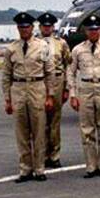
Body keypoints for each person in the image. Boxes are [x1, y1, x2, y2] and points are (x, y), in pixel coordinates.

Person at [1, 11, 54, 182]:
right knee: (22, 132)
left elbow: (49, 72)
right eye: (21, 27)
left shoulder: (43, 46)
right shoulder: (11, 49)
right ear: (17, 28)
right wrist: (7, 99)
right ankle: (25, 169)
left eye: (27, 27)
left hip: (37, 88)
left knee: (38, 131)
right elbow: (6, 76)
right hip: (18, 89)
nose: (24, 30)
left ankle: (39, 168)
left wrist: (50, 95)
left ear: (32, 28)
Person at [68, 14, 100, 176]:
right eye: (91, 30)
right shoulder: (78, 50)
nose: (93, 32)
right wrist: (72, 94)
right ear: (85, 31)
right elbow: (70, 72)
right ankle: (91, 166)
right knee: (87, 130)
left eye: (96, 29)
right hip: (85, 88)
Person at [37, 12, 72, 168]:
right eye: (44, 26)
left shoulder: (61, 44)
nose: (47, 28)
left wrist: (67, 88)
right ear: (40, 27)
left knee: (54, 122)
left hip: (57, 81)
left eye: (49, 26)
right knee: (41, 121)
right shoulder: (35, 43)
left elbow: (68, 65)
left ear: (53, 27)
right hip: (39, 83)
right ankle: (42, 154)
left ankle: (55, 155)